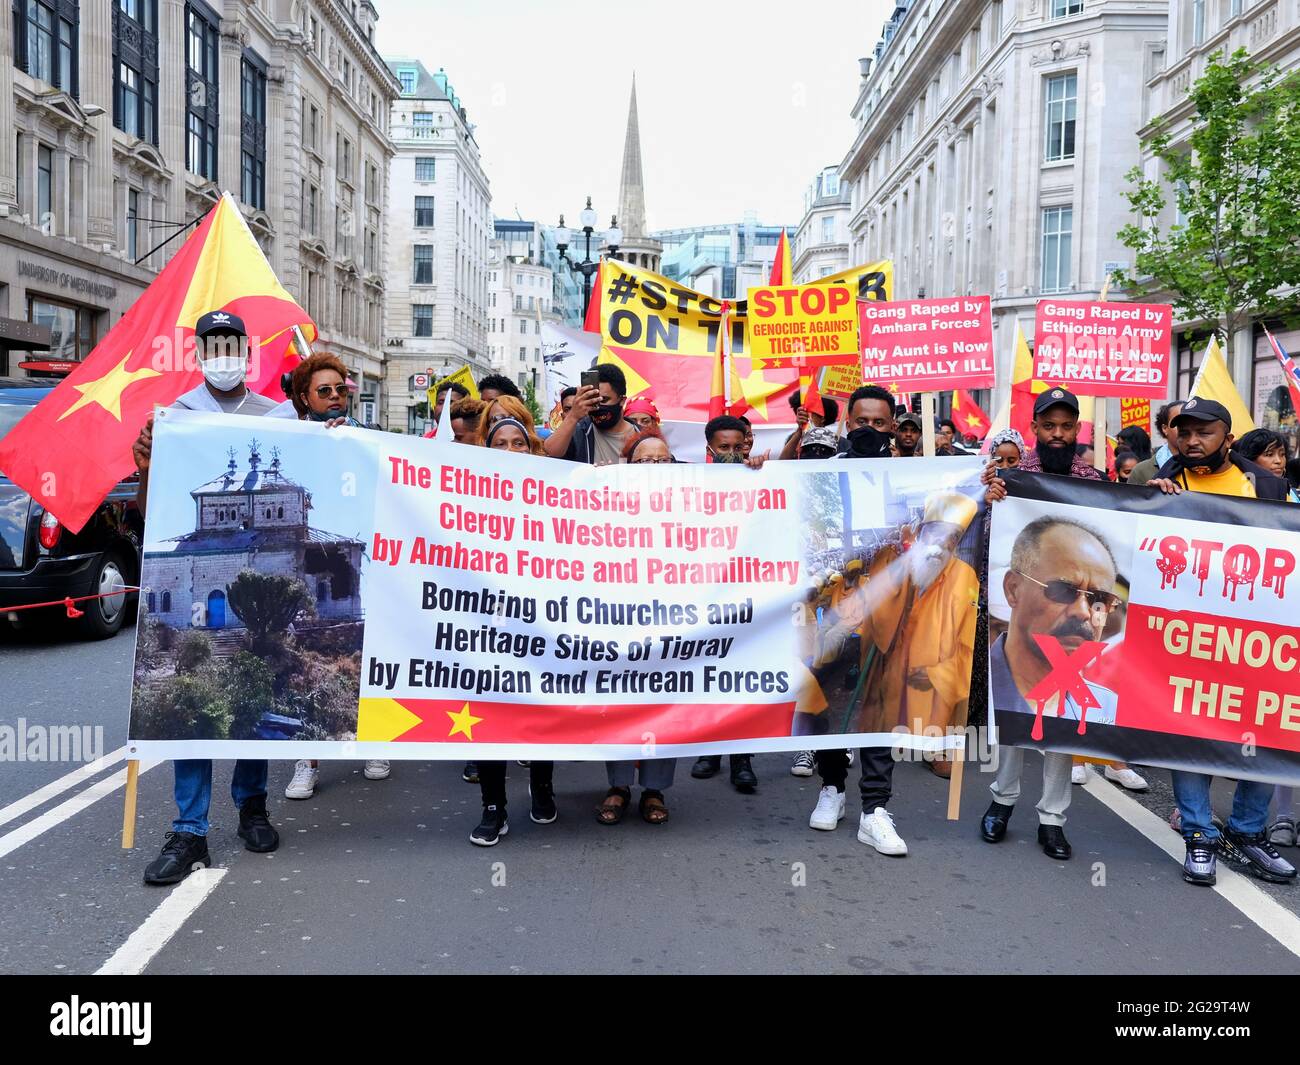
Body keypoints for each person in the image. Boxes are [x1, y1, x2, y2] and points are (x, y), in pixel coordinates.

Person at [133, 311, 284, 885]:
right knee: (189, 708)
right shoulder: (174, 418)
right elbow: (153, 514)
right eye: (212, 345)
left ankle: (253, 806)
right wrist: (146, 464)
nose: (223, 355)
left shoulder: (277, 417)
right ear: (197, 352)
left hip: (258, 556)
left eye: (232, 345)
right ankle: (189, 829)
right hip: (197, 551)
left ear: (248, 352)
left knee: (252, 696)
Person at [1146, 399, 1294, 885]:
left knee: (1265, 726)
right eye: (1183, 431)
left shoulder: (1269, 485)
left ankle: (1248, 832)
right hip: (1188, 637)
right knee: (1192, 731)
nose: (1192, 440)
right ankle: (1199, 835)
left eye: (1204, 432)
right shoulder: (1164, 485)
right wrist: (1145, 506)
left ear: (1228, 438)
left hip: (1259, 636)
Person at [802, 385, 910, 856]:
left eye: (880, 423)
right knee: (831, 695)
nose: (869, 430)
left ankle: (874, 809)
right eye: (861, 422)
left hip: (888, 610)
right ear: (847, 424)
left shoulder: (911, 478)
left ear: (893, 427)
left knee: (878, 704)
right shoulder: (819, 477)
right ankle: (832, 787)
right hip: (834, 607)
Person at [982, 516, 1121, 861]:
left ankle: (1052, 820)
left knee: (1065, 735)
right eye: (1062, 591)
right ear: (1013, 589)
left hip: (1072, 688)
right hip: (1008, 675)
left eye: (1100, 599)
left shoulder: (1105, 704)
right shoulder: (990, 676)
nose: (1084, 613)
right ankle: (1002, 801)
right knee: (1013, 722)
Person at [281, 353, 387, 800]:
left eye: (340, 390)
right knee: (308, 669)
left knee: (369, 659)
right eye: (323, 392)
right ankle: (308, 759)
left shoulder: (366, 438)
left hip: (354, 548)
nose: (334, 398)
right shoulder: (288, 441)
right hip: (305, 552)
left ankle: (375, 741)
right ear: (304, 399)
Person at [855, 491, 980, 778]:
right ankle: (882, 740)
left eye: (950, 535)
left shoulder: (965, 577)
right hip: (897, 663)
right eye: (935, 532)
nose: (941, 541)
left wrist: (937, 673)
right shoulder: (901, 563)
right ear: (922, 532)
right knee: (885, 711)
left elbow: (966, 643)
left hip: (933, 674)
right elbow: (876, 608)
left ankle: (936, 749)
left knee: (936, 707)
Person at [544, 362, 637, 464]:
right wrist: (573, 415)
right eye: (592, 399)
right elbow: (551, 452)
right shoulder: (580, 432)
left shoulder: (641, 435)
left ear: (622, 400)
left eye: (604, 400)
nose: (597, 406)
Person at [1233, 428, 1299, 501]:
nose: (1278, 461)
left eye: (1282, 454)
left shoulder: (1289, 490)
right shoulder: (1243, 490)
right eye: (1269, 454)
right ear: (1249, 458)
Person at [1127, 400, 1183, 485]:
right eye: (1179, 423)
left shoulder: (1204, 468)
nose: (1185, 429)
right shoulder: (1142, 471)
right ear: (1165, 428)